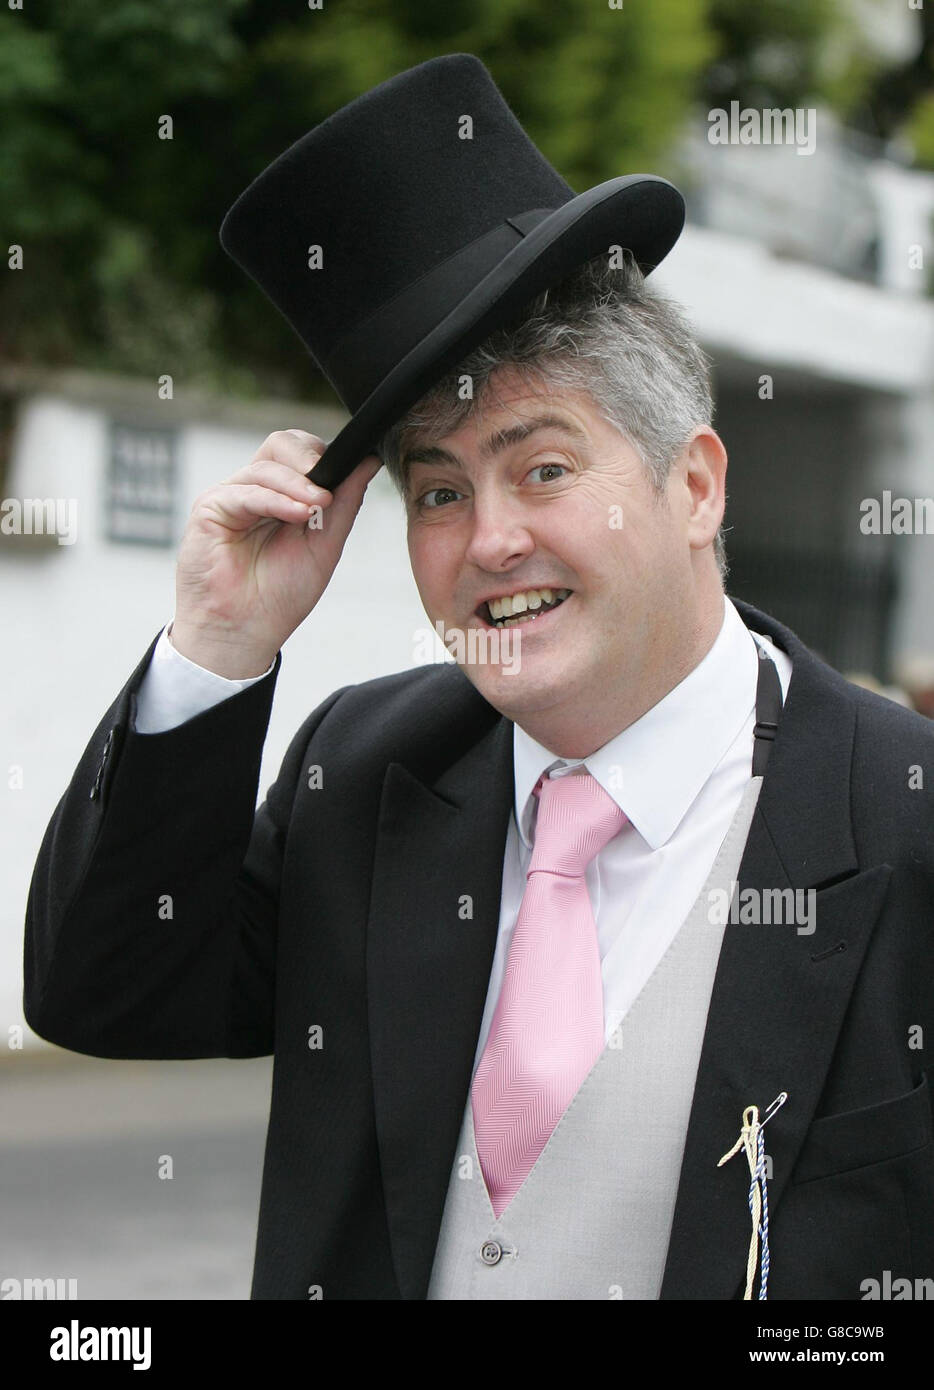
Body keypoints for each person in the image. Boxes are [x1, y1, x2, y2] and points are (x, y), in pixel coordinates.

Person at [24, 55, 934, 1301]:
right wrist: (219, 645)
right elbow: (105, 993)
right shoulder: (365, 768)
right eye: (439, 490)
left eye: (543, 467)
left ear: (695, 485)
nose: (488, 539)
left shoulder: (903, 809)